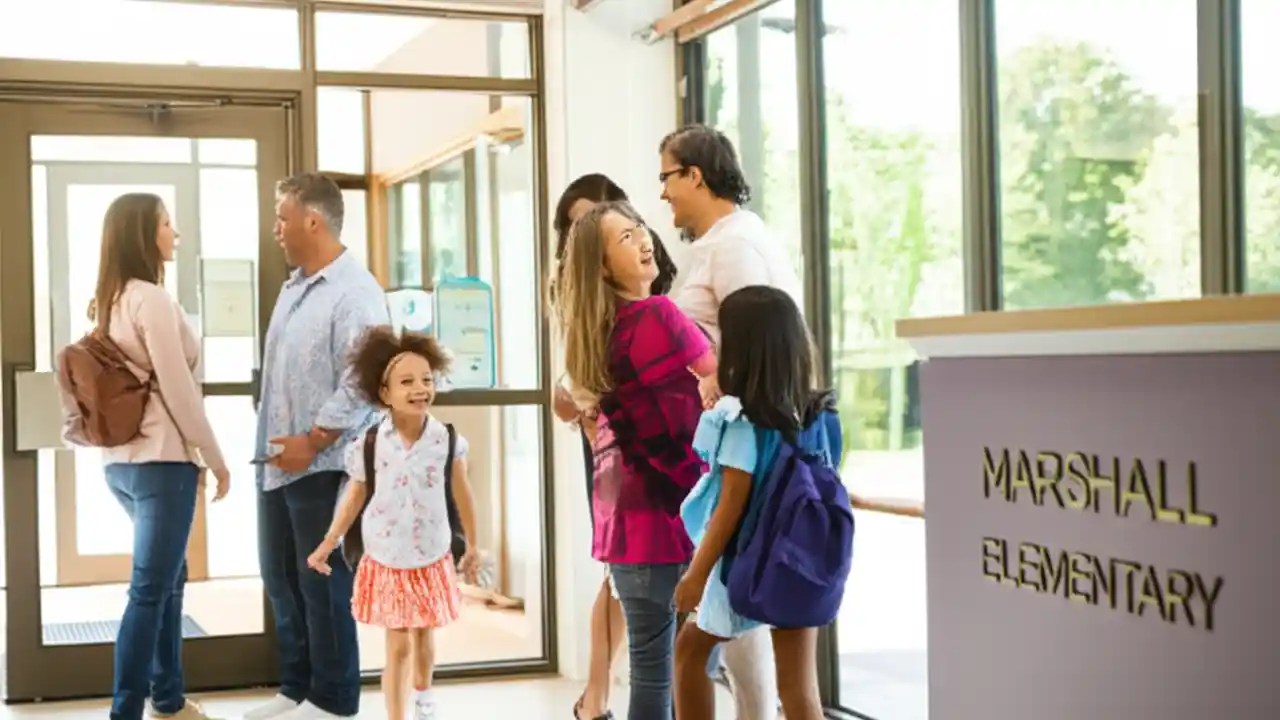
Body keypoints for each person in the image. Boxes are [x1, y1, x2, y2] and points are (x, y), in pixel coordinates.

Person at [56, 193, 230, 720]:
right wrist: (216, 457)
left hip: (121, 467)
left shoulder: (108, 301)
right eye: (166, 223)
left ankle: (169, 701)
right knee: (150, 590)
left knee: (166, 581)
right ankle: (126, 711)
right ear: (143, 234)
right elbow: (178, 390)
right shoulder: (150, 298)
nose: (174, 233)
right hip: (162, 465)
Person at [551, 200, 716, 720]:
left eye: (639, 227)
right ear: (602, 267)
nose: (643, 238)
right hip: (675, 516)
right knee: (686, 667)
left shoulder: (592, 336)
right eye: (625, 237)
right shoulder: (662, 315)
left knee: (649, 668)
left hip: (623, 528)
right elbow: (718, 379)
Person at [659, 123, 800, 716]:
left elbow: (756, 341)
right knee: (739, 630)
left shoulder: (734, 246)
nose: (662, 193)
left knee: (729, 624)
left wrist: (718, 393)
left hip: (744, 453)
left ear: (695, 174)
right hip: (729, 446)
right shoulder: (724, 241)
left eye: (667, 177)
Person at [247, 174, 390, 720]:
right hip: (278, 463)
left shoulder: (356, 291)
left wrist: (314, 439)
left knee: (322, 584)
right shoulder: (294, 287)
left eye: (283, 217)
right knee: (281, 578)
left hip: (326, 465)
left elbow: (363, 380)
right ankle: (296, 689)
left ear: (314, 219)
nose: (276, 228)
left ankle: (333, 701)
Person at [673, 285, 835, 720]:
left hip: (744, 563)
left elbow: (729, 509)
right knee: (799, 690)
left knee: (689, 651)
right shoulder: (820, 416)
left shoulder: (743, 424)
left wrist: (695, 574)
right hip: (803, 559)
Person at [305, 327, 480, 720]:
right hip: (387, 557)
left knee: (424, 636)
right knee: (398, 643)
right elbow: (354, 496)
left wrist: (472, 544)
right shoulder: (369, 442)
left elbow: (463, 494)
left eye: (426, 380)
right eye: (407, 381)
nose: (420, 388)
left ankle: (423, 694)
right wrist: (328, 542)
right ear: (383, 394)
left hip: (431, 554)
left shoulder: (447, 440)